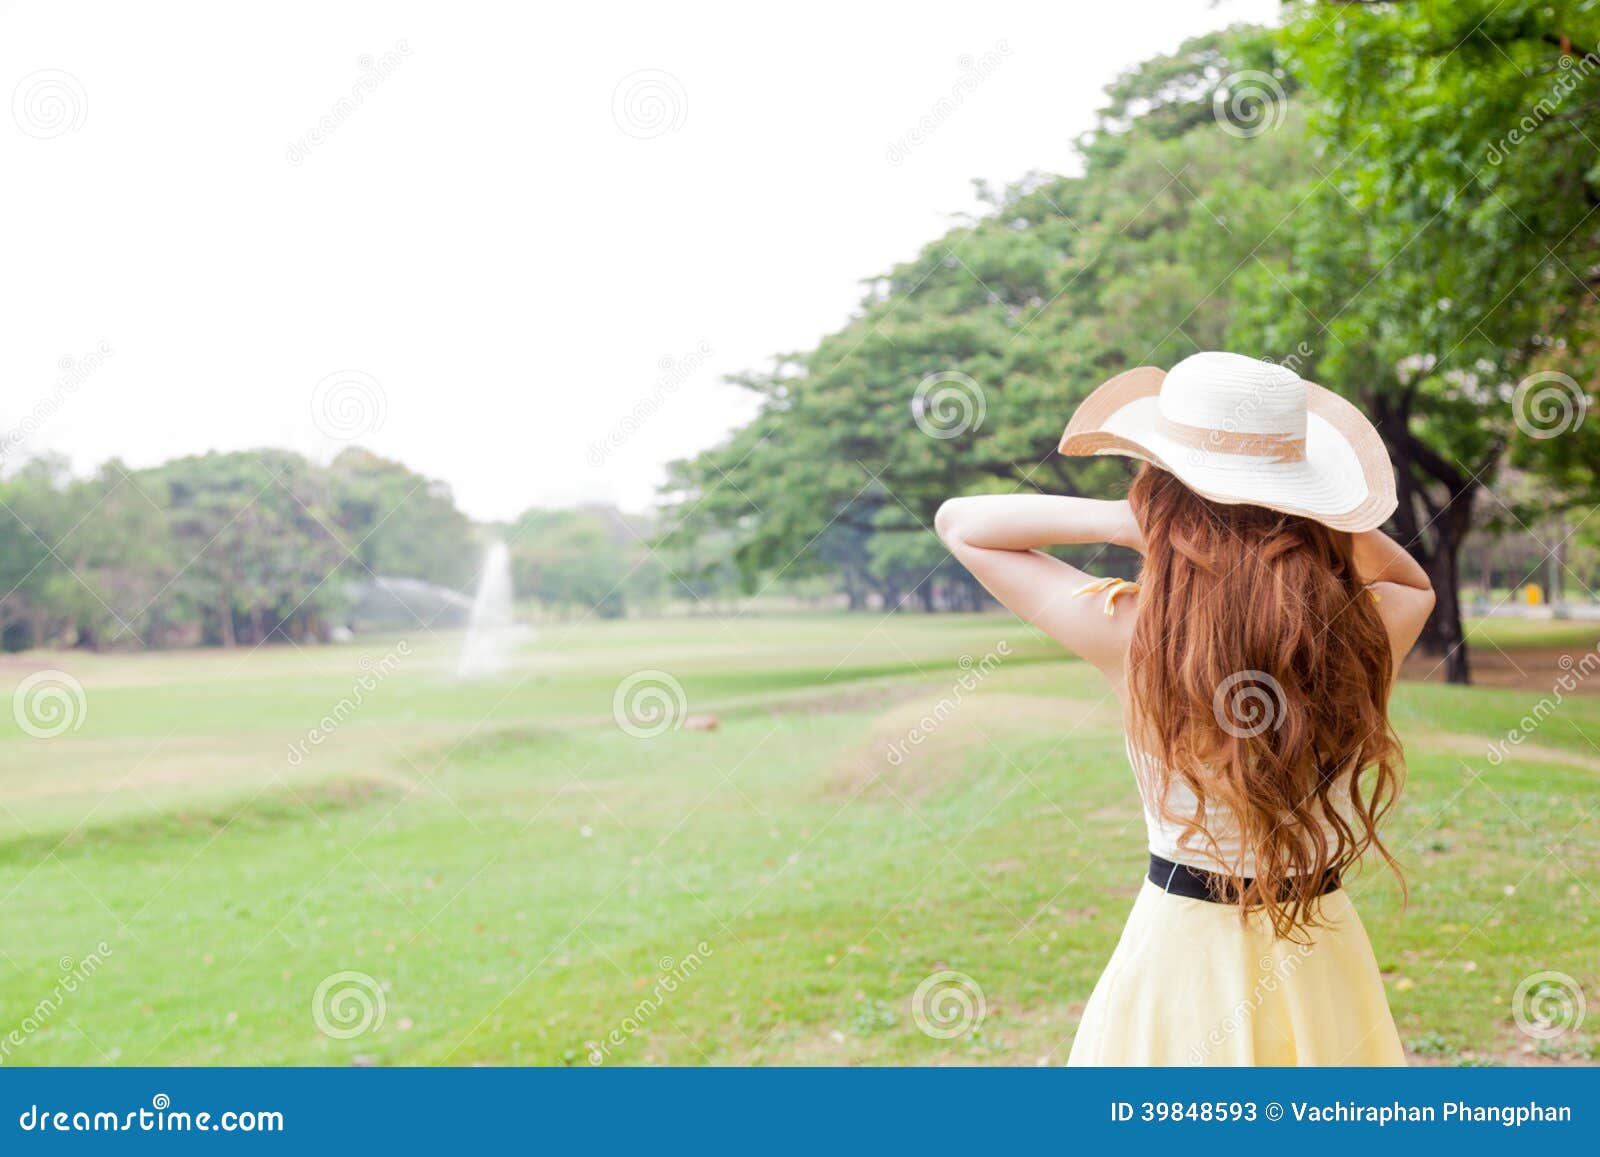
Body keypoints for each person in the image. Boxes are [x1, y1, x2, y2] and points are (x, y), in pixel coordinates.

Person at [935, 351, 1435, 1065]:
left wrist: (1132, 520)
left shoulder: (1135, 633)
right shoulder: (1355, 631)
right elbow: (1414, 584)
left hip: (1182, 952)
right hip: (1318, 942)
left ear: (1163, 495)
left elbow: (962, 523)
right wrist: (1309, 514)